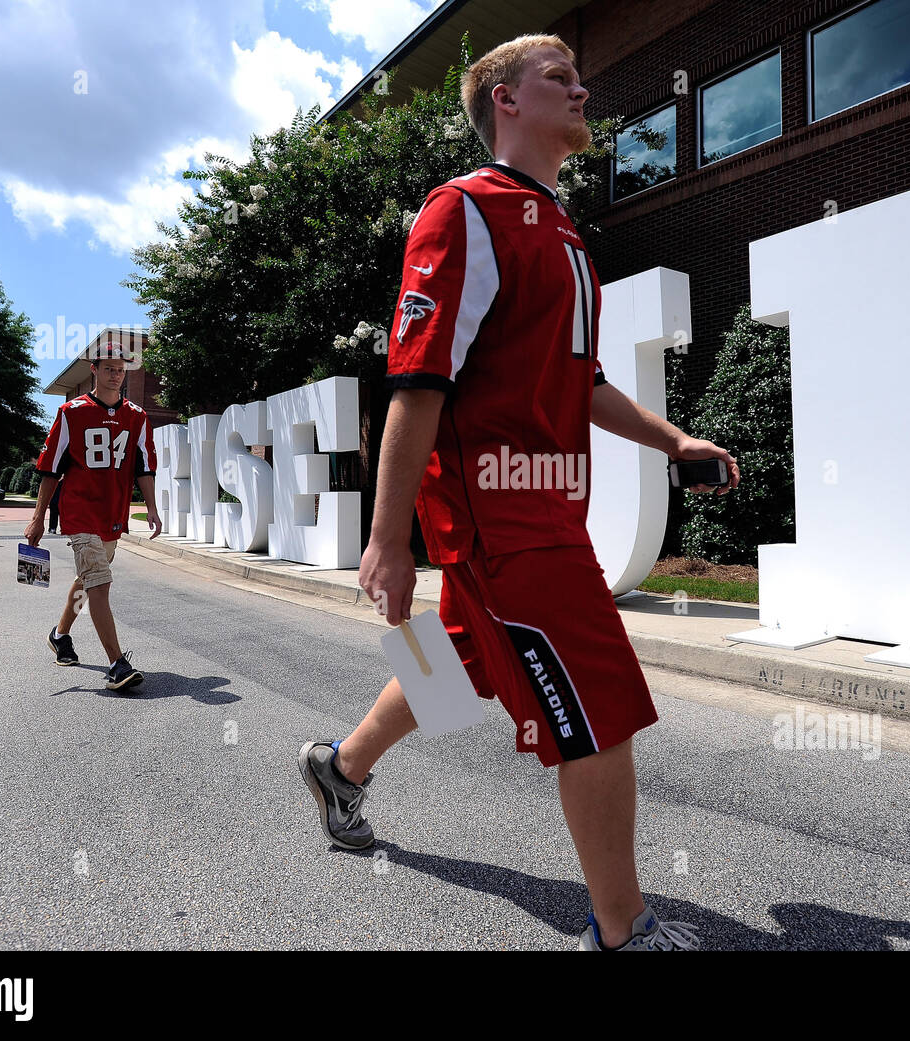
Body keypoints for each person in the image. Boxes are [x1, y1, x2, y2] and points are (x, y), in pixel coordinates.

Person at [295, 34, 739, 952]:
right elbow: (417, 385)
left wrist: (673, 439)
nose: (582, 89)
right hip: (504, 522)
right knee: (604, 708)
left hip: (538, 512)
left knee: (451, 665)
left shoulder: (565, 231)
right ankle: (622, 928)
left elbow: (582, 382)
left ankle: (340, 769)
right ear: (504, 100)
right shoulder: (463, 212)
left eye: (580, 76)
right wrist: (390, 540)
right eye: (558, 78)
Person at [24, 344, 162, 692]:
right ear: (95, 371)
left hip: (112, 514)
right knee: (100, 581)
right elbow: (51, 469)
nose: (117, 375)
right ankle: (117, 663)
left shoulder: (137, 416)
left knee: (86, 580)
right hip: (80, 511)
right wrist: (39, 517)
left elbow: (144, 468)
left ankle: (60, 634)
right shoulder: (71, 412)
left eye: (121, 370)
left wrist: (153, 509)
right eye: (110, 368)